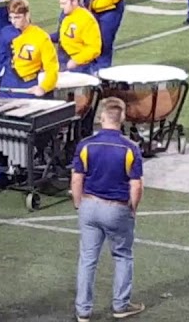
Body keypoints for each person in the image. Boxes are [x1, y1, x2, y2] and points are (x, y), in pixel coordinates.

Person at [72, 97, 146, 322]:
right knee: (122, 256)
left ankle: (83, 311)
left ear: (101, 117)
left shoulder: (86, 145)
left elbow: (76, 179)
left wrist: (79, 204)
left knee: (87, 259)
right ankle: (120, 305)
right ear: (122, 118)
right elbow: (136, 185)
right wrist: (132, 209)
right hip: (116, 209)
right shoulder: (130, 148)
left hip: (89, 205)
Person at [0, 0, 59, 97]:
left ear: (27, 15)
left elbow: (52, 68)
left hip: (29, 87)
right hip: (8, 85)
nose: (13, 21)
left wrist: (43, 87)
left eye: (17, 17)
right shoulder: (6, 33)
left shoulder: (42, 38)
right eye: (11, 17)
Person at [54, 0, 102, 73]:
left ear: (75, 1)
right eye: (60, 4)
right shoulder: (67, 16)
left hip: (80, 66)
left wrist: (76, 60)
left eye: (64, 3)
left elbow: (94, 48)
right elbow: (61, 36)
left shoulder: (87, 20)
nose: (61, 7)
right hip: (64, 60)